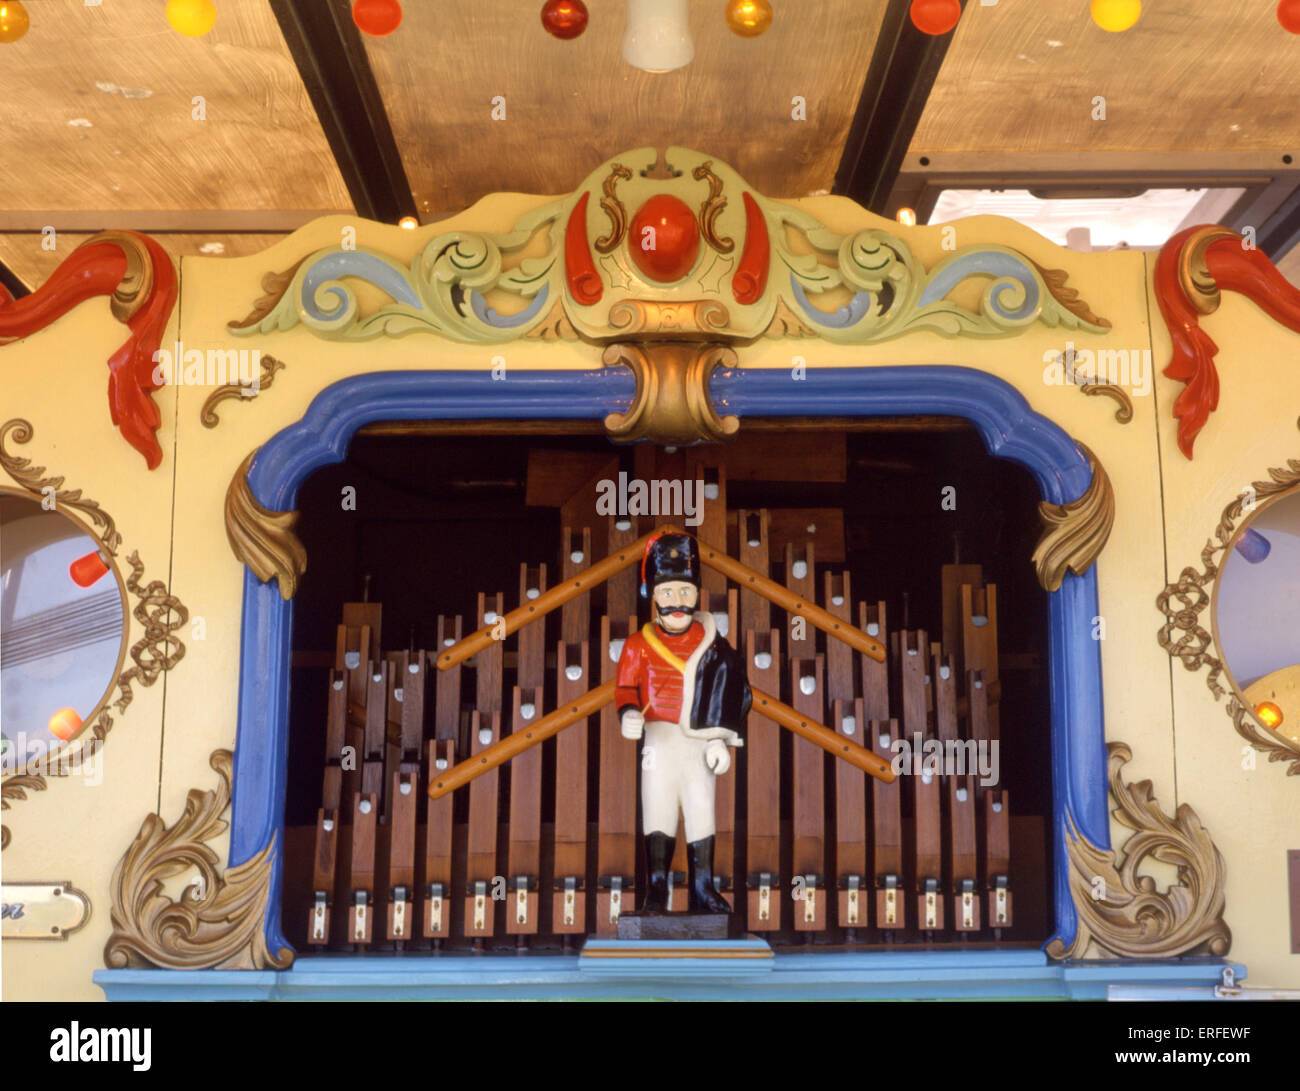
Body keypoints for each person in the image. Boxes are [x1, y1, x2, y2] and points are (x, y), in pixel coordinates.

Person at [615, 532, 750, 913]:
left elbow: (730, 691)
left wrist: (719, 739)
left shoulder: (715, 646)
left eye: (686, 592)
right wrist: (627, 712)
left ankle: (702, 888)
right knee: (656, 807)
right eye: (669, 592)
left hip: (698, 740)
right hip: (658, 738)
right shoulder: (636, 645)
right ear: (653, 595)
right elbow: (626, 688)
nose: (678, 602)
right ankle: (657, 889)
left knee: (700, 807)